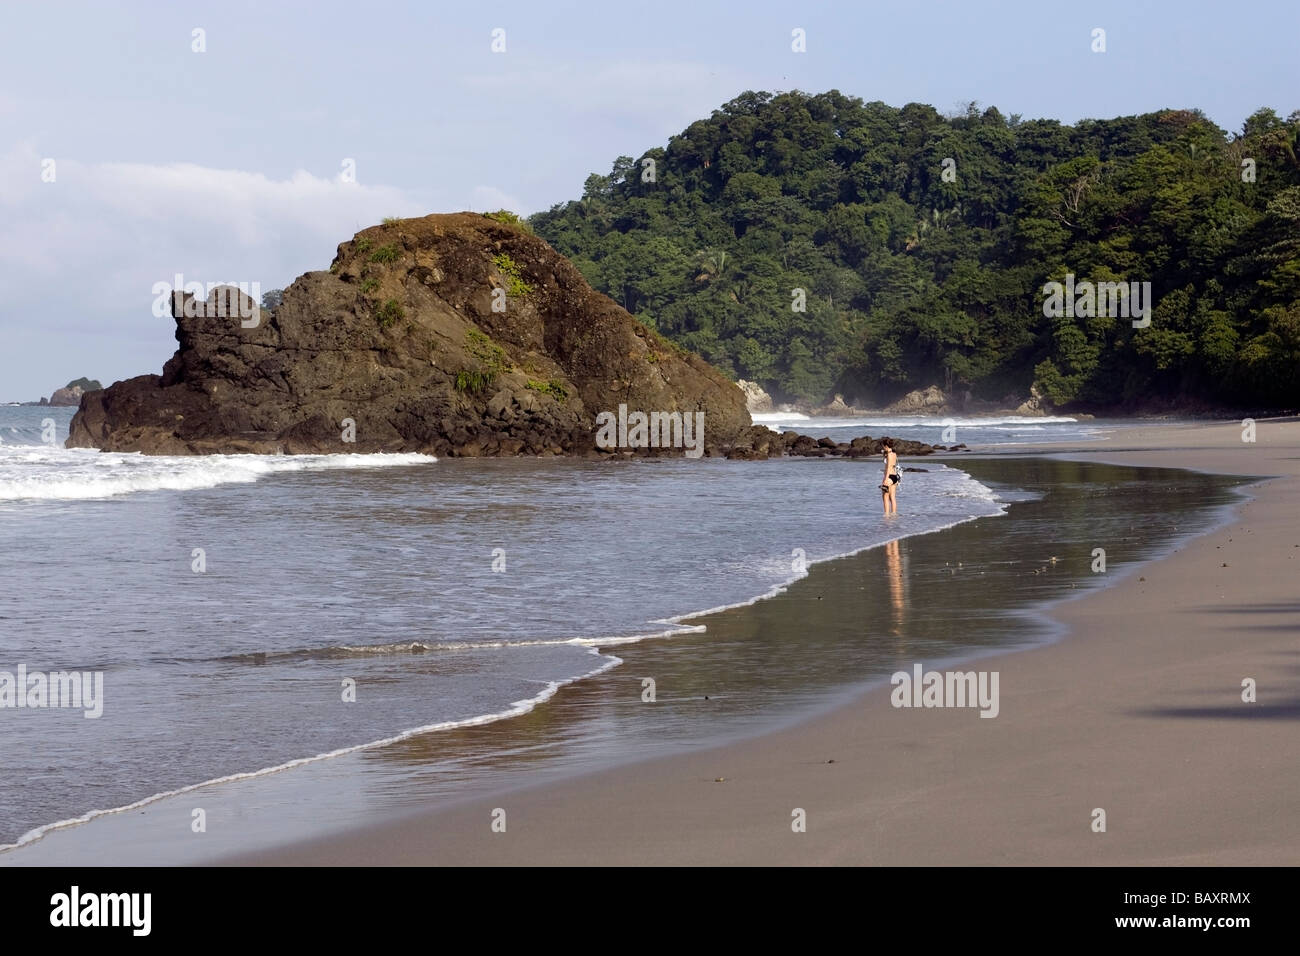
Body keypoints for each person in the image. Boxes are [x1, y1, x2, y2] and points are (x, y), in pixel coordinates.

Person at [880, 441, 900, 515]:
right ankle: (894, 514)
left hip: (889, 476)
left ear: (886, 446)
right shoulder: (894, 454)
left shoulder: (889, 455)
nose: (882, 448)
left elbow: (888, 468)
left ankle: (886, 515)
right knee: (892, 497)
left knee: (885, 497)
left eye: (883, 446)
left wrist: (885, 479)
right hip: (894, 477)